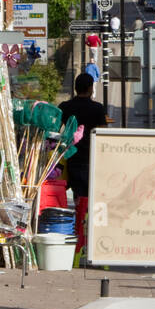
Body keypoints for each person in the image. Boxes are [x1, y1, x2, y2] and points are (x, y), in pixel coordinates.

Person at [58, 72, 108, 258]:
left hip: (72, 158)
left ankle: (78, 237)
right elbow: (103, 133)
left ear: (76, 88)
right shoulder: (97, 108)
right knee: (94, 199)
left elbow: (57, 129)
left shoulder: (66, 106)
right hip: (93, 157)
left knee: (78, 198)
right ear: (90, 88)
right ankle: (93, 240)